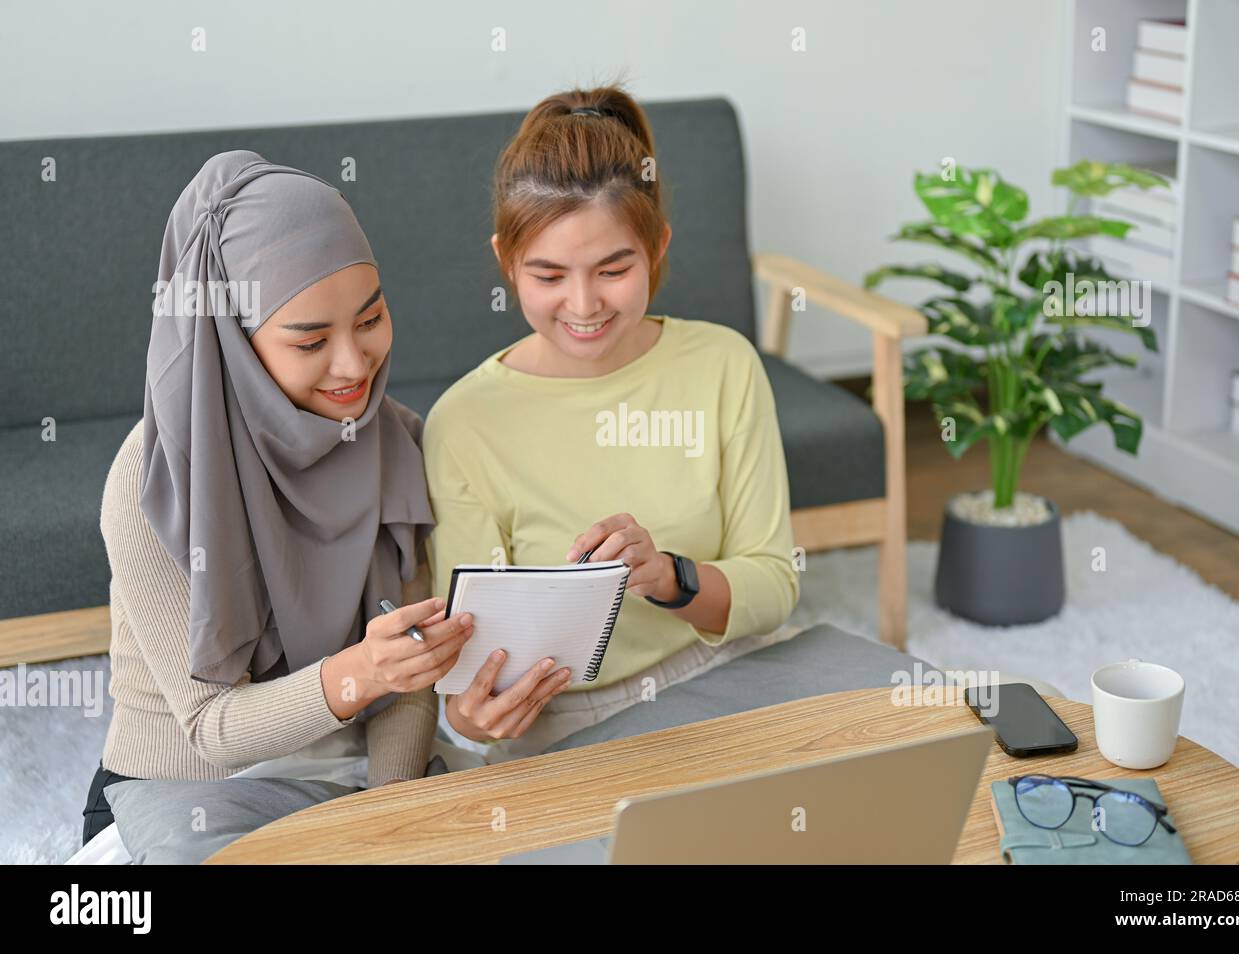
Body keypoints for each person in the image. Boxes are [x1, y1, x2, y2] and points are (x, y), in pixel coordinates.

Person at [82, 151, 469, 845]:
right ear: (231, 339)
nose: (354, 365)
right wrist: (361, 672)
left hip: (352, 783)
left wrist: (385, 823)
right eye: (311, 340)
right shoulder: (153, 476)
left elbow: (408, 685)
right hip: (182, 790)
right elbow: (210, 729)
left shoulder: (396, 441)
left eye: (372, 319)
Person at [424, 85, 802, 760]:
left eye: (613, 268)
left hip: (723, 676)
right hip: (562, 718)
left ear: (656, 248)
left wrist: (669, 578)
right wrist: (474, 718)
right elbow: (466, 692)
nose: (583, 304)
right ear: (506, 263)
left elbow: (774, 584)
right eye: (547, 275)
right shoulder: (463, 423)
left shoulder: (723, 364)